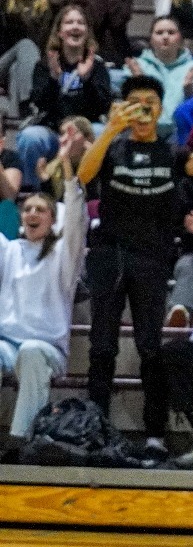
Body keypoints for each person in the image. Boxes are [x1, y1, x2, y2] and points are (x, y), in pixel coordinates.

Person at [79, 75, 186, 461]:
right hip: (109, 254)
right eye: (135, 102)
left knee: (150, 347)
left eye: (150, 103)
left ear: (161, 109)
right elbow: (84, 175)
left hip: (152, 257)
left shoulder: (174, 152)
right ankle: (95, 428)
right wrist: (109, 129)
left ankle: (155, 434)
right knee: (102, 345)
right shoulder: (113, 146)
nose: (143, 109)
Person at [0, 157, 88, 450]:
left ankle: (20, 440)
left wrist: (68, 174)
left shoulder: (64, 255)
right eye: (27, 209)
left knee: (31, 350)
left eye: (40, 209)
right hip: (7, 345)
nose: (32, 213)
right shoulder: (9, 250)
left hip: (46, 348)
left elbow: (77, 221)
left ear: (52, 219)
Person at [18, 3, 114, 190]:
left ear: (87, 32)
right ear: (60, 32)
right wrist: (54, 79)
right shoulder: (45, 65)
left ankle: (97, 193)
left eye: (80, 23)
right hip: (53, 130)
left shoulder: (98, 66)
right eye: (69, 22)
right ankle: (35, 194)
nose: (75, 26)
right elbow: (38, 104)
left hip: (86, 129)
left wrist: (87, 80)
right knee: (30, 137)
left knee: (104, 134)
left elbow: (104, 106)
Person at [0, 0, 53, 118]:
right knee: (25, 44)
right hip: (2, 63)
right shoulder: (5, 2)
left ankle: (22, 114)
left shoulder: (46, 4)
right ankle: (33, 101)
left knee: (18, 68)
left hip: (28, 67)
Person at [130, 15, 193, 134]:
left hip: (182, 132)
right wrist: (139, 84)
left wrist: (190, 92)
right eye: (159, 32)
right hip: (145, 130)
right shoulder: (136, 66)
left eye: (171, 32)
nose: (165, 36)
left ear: (181, 39)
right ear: (151, 40)